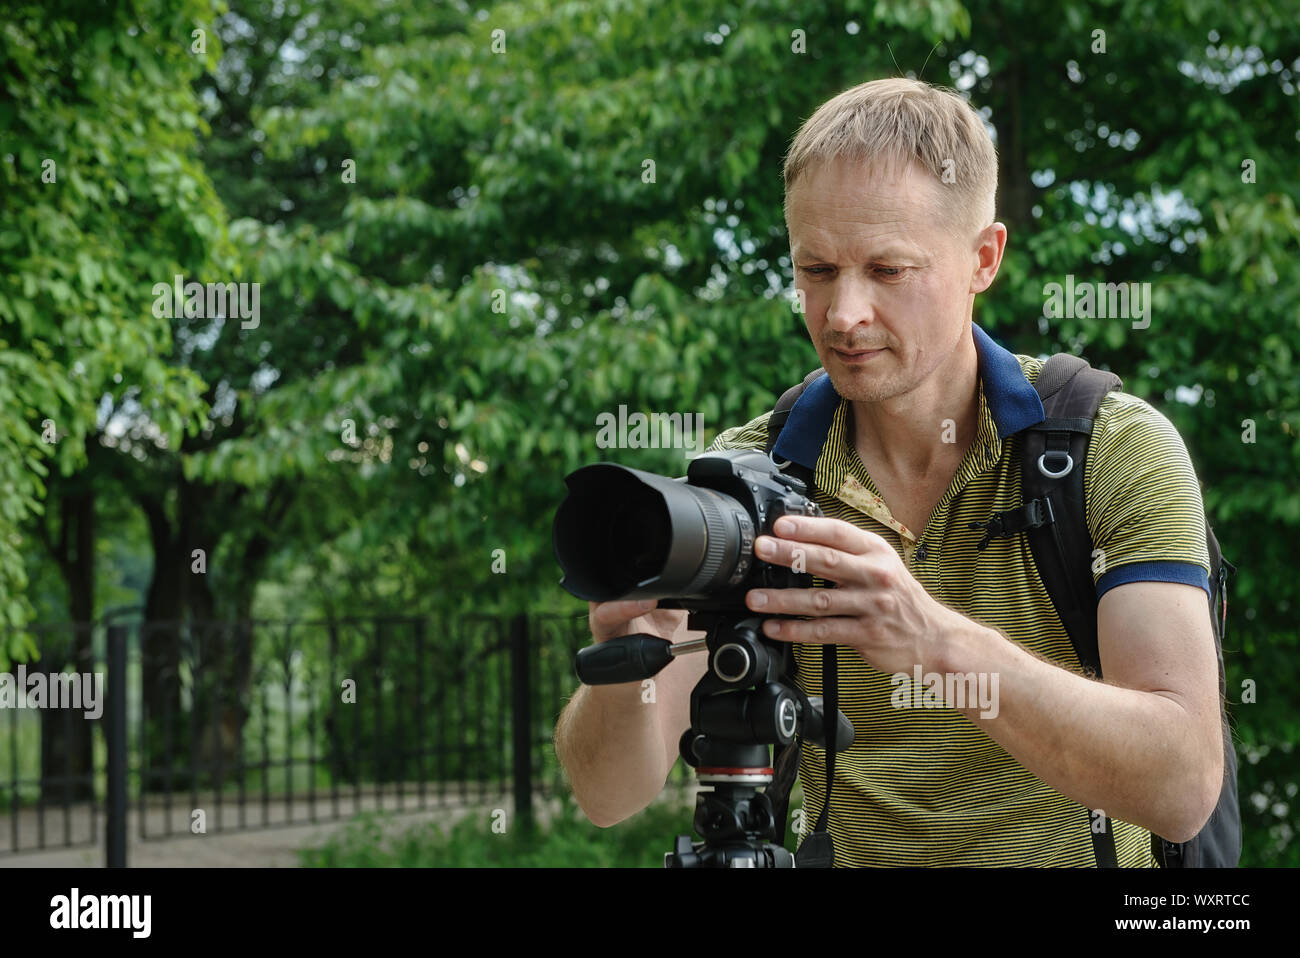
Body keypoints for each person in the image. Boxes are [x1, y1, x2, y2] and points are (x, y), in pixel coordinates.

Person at [553, 77, 1222, 866]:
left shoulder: (1110, 449)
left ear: (983, 258)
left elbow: (1182, 785)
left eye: (888, 269)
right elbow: (606, 797)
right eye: (818, 269)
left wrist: (930, 637)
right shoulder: (753, 477)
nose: (843, 314)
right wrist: (629, 659)